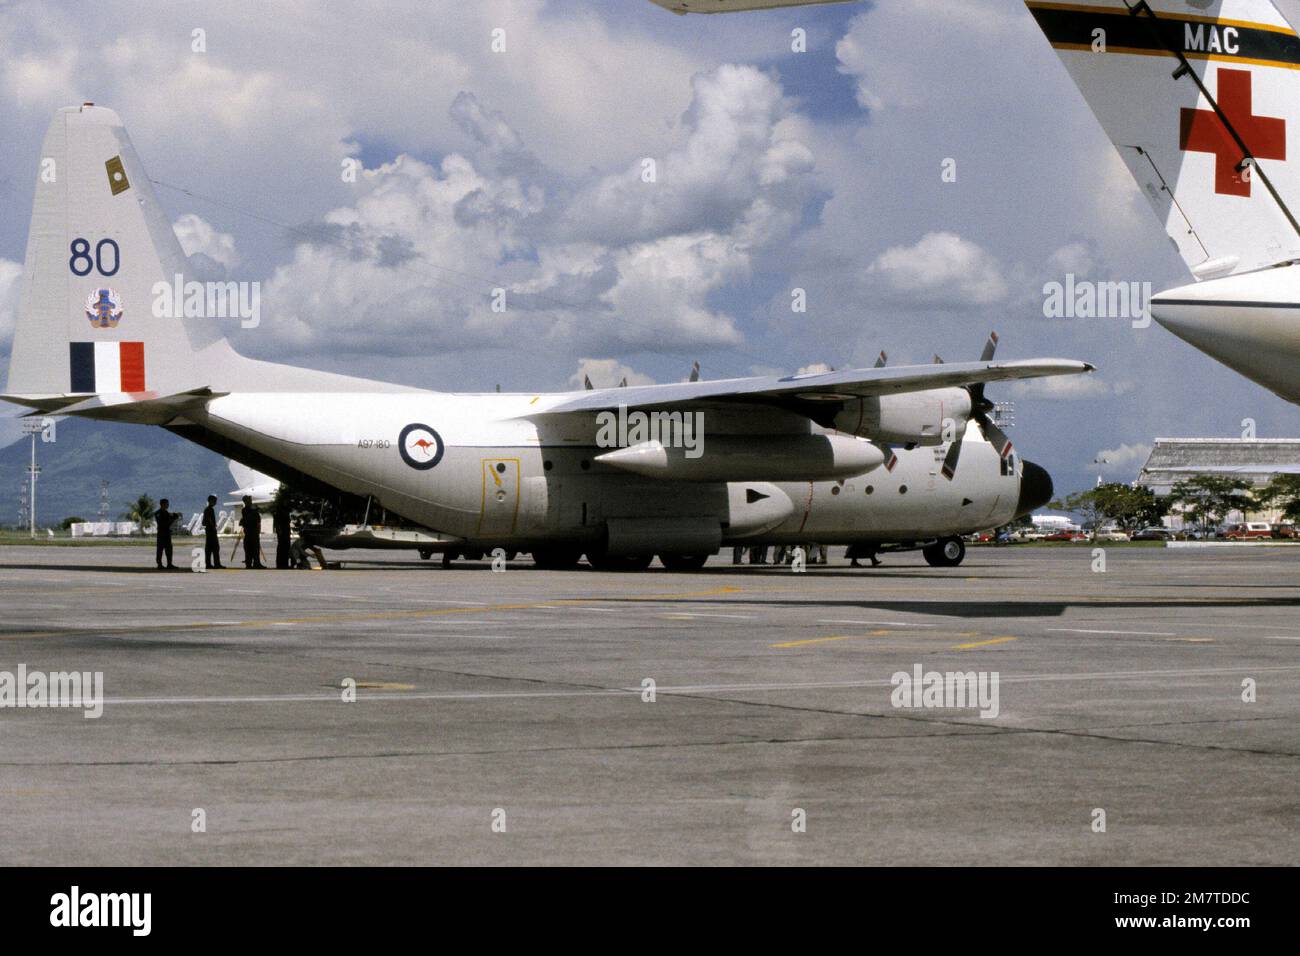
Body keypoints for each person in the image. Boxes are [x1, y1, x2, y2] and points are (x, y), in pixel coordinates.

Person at [240, 495, 265, 569]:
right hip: (249, 531)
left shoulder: (251, 509)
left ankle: (256, 563)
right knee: (250, 548)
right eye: (249, 500)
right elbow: (249, 518)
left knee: (255, 548)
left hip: (253, 531)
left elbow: (258, 519)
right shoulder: (245, 510)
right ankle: (250, 563)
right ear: (246, 501)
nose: (250, 502)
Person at [154, 498, 178, 570]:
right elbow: (163, 523)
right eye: (167, 504)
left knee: (169, 549)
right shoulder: (158, 513)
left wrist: (173, 516)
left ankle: (169, 564)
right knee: (160, 549)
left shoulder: (165, 512)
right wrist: (172, 519)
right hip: (162, 533)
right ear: (163, 504)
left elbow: (168, 519)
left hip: (166, 533)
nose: (168, 505)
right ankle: (160, 564)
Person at [202, 495, 222, 569]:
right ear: (210, 501)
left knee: (209, 548)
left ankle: (209, 564)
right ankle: (216, 564)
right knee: (215, 548)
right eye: (214, 501)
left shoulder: (208, 509)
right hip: (211, 531)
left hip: (209, 530)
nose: (215, 502)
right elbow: (208, 520)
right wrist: (213, 527)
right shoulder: (209, 509)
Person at [274, 496, 293, 569]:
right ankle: (280, 564)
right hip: (282, 531)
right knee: (282, 548)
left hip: (286, 531)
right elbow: (278, 522)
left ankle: (284, 563)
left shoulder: (286, 510)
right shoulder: (280, 511)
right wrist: (279, 531)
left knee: (286, 548)